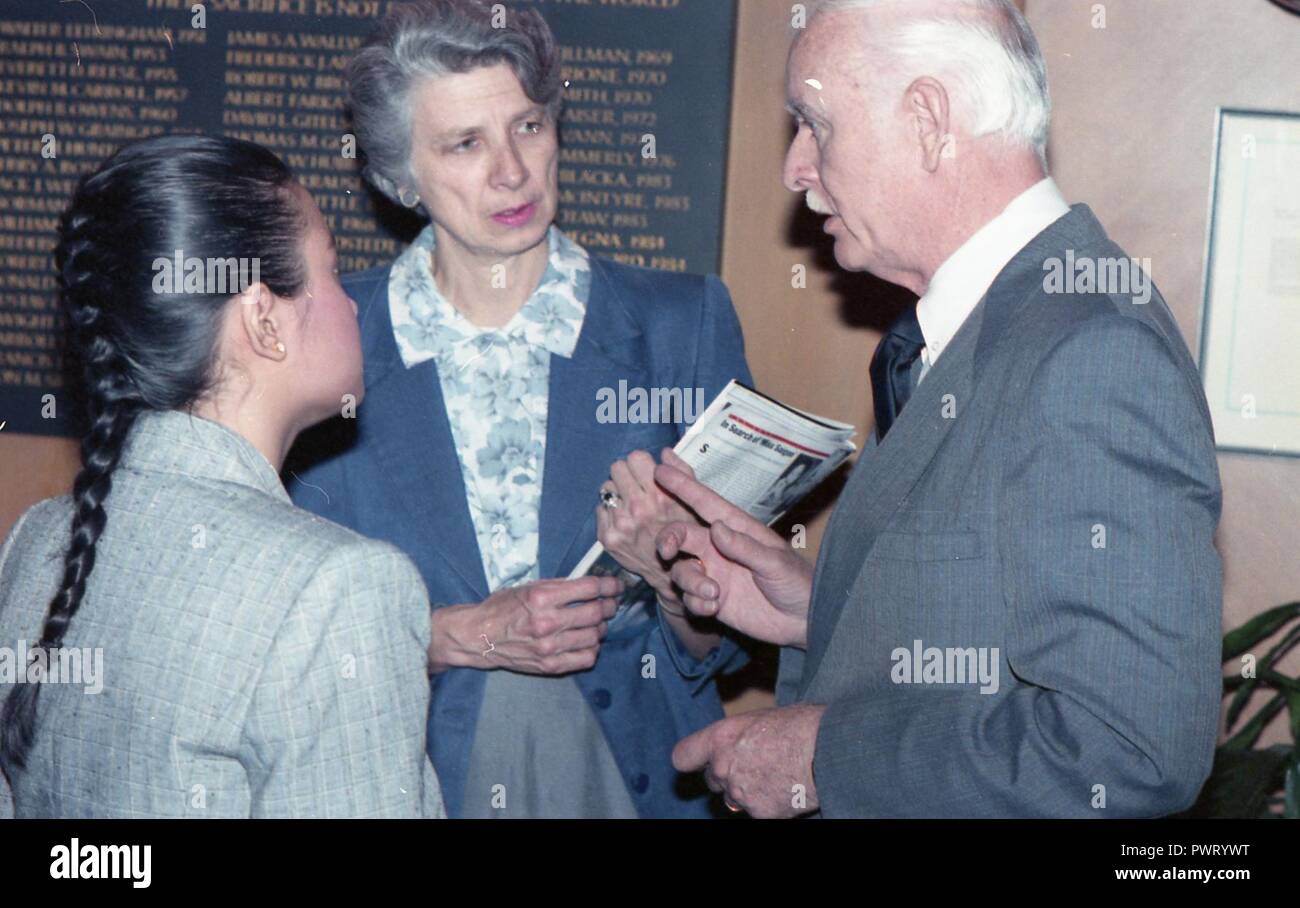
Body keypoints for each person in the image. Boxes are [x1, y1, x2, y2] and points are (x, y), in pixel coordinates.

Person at [643, 0, 1223, 818]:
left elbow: (1126, 748)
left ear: (927, 119)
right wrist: (825, 611)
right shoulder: (990, 321)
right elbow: (1000, 628)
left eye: (814, 124)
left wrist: (820, 756)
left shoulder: (1090, 352)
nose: (795, 167)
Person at [286, 0, 752, 818]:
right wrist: (452, 634)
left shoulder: (682, 323)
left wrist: (673, 580)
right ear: (400, 177)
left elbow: (728, 646)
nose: (511, 171)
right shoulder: (331, 343)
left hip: (638, 780)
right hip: (408, 782)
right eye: (466, 144)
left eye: (528, 128)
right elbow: (280, 644)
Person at [0, 135, 444, 818]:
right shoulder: (340, 589)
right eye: (332, 269)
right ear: (265, 320)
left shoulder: (36, 542)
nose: (352, 303)